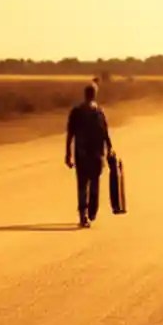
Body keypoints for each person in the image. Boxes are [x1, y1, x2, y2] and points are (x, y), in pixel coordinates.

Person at [65, 83, 113, 228]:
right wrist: (109, 148)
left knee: (82, 185)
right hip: (96, 154)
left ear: (85, 94)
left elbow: (70, 134)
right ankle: (91, 211)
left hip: (82, 153)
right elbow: (105, 133)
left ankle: (84, 215)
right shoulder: (99, 112)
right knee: (94, 183)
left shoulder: (77, 111)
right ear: (94, 94)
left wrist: (68, 153)